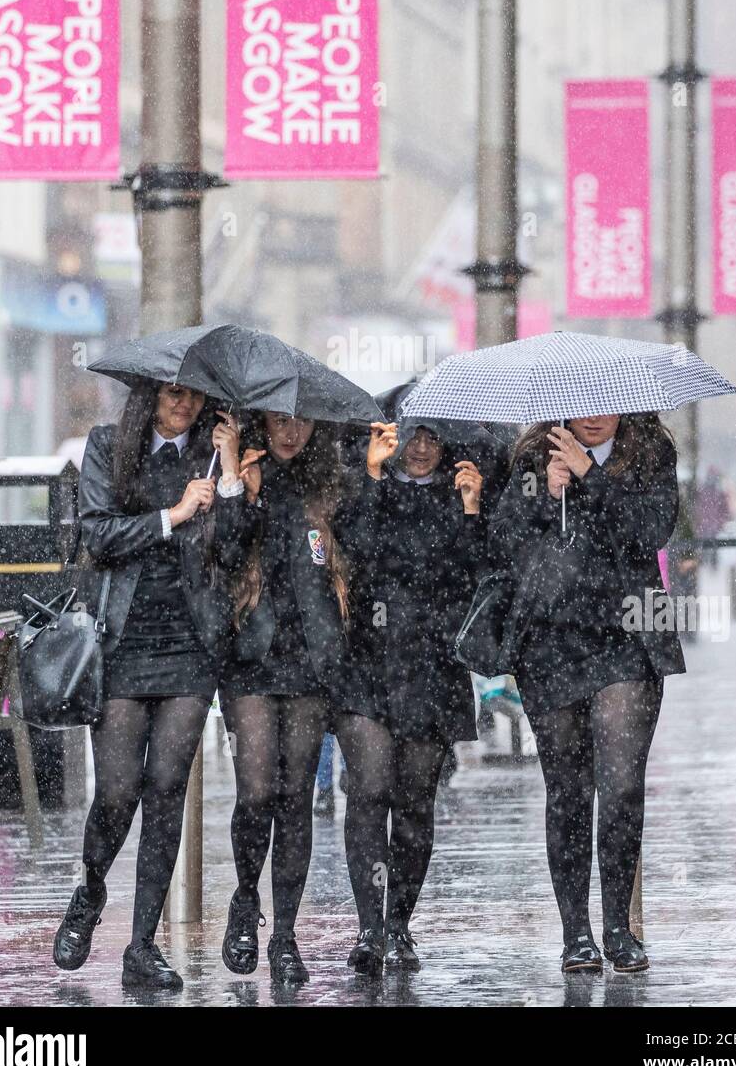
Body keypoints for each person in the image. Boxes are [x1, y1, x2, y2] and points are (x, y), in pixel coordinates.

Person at [52, 383, 258, 991]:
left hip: (190, 647)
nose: (183, 405)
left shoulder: (213, 458)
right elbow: (99, 535)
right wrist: (172, 517)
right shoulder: (109, 447)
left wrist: (225, 488)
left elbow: (237, 550)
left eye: (194, 396)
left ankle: (142, 945)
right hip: (122, 641)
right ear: (149, 395)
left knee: (167, 790)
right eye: (173, 394)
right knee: (116, 792)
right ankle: (90, 892)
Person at [489, 413, 684, 974]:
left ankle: (618, 926)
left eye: (606, 404)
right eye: (582, 405)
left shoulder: (650, 453)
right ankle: (575, 932)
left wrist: (590, 477)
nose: (594, 417)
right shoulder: (533, 457)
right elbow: (502, 541)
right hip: (551, 637)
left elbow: (651, 532)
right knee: (569, 790)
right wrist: (546, 495)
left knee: (621, 786)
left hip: (628, 634)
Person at [217, 413, 392, 986]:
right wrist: (241, 493)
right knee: (257, 790)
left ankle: (285, 935)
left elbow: (365, 551)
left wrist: (369, 476)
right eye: (278, 421)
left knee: (295, 797)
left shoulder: (329, 484)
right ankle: (246, 899)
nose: (291, 432)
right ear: (259, 422)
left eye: (301, 423)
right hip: (252, 658)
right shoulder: (246, 476)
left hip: (312, 661)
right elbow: (220, 553)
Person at [341, 422, 485, 975]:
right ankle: (368, 928)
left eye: (432, 437)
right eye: (410, 435)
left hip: (433, 667)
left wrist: (472, 511)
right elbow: (357, 552)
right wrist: (373, 476)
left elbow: (471, 580)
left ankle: (398, 923)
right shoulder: (368, 484)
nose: (421, 447)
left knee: (415, 800)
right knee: (370, 788)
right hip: (369, 661)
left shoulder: (461, 494)